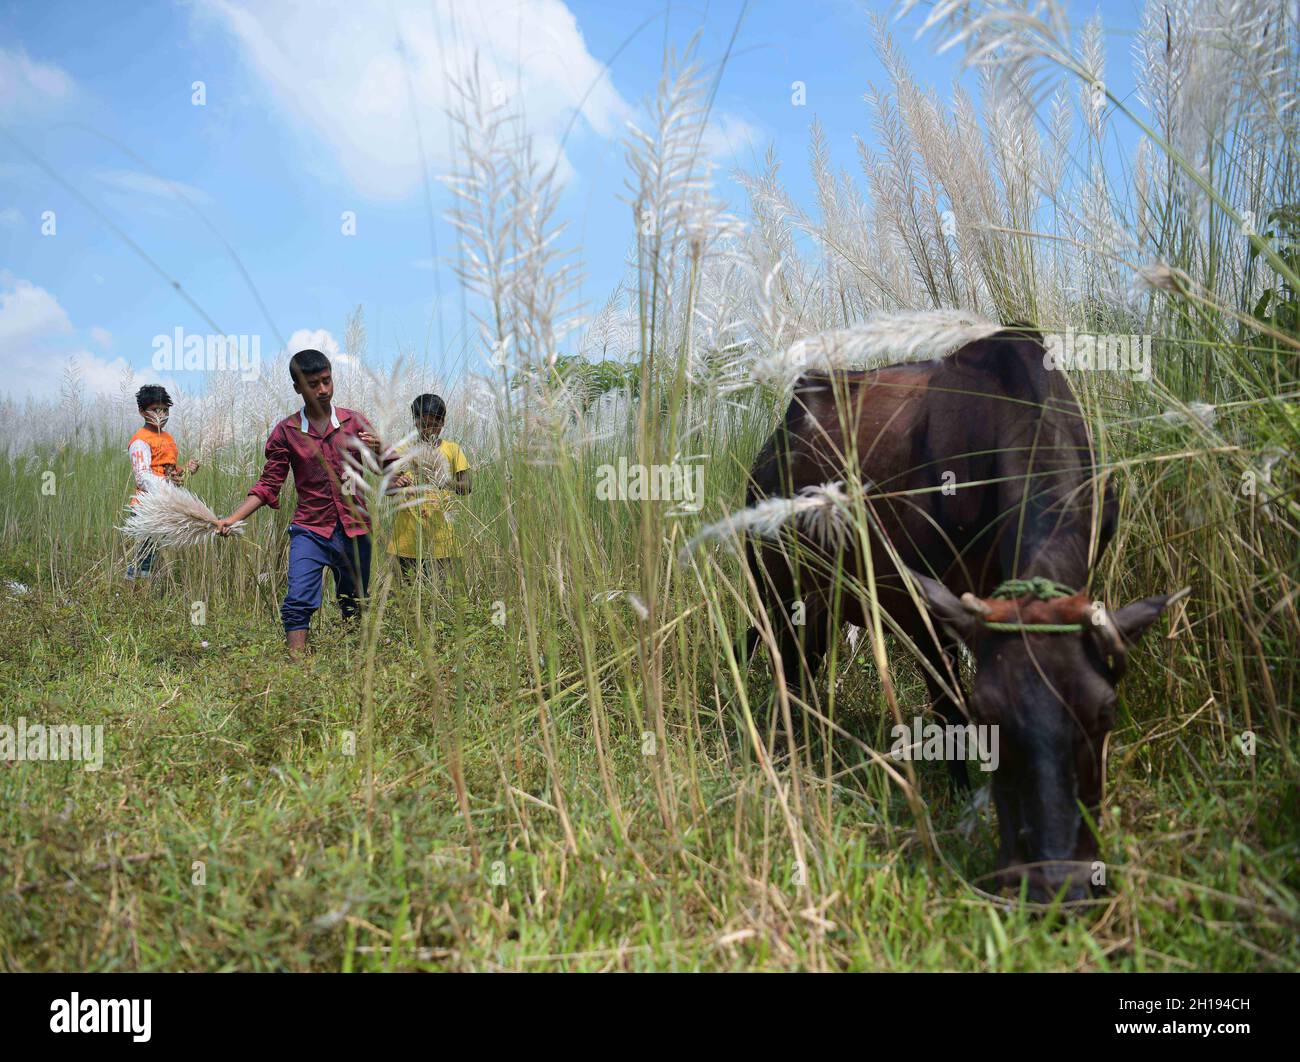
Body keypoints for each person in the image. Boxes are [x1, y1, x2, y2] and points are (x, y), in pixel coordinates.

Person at [215, 349, 388, 657]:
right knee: (298, 596)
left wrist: (380, 451)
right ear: (298, 387)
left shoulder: (354, 422)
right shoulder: (287, 432)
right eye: (313, 384)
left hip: (355, 527)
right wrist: (232, 518)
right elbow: (269, 484)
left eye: (327, 381)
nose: (322, 390)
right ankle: (298, 666)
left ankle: (356, 660)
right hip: (310, 529)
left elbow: (386, 467)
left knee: (354, 599)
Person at [387, 393, 471, 583]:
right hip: (406, 541)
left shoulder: (452, 450)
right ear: (415, 422)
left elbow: (466, 487)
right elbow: (387, 488)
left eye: (435, 425)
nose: (429, 430)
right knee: (407, 596)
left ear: (442, 423)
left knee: (443, 594)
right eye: (424, 424)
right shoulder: (404, 451)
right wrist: (396, 485)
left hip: (442, 542)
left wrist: (444, 480)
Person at [126, 384, 198, 583]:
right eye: (156, 410)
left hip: (165, 504)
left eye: (165, 410)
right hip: (146, 507)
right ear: (142, 411)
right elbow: (142, 477)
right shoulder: (140, 440)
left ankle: (150, 598)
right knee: (144, 559)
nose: (162, 415)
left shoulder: (167, 438)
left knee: (157, 557)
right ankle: (134, 597)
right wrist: (168, 481)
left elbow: (169, 470)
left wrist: (186, 470)